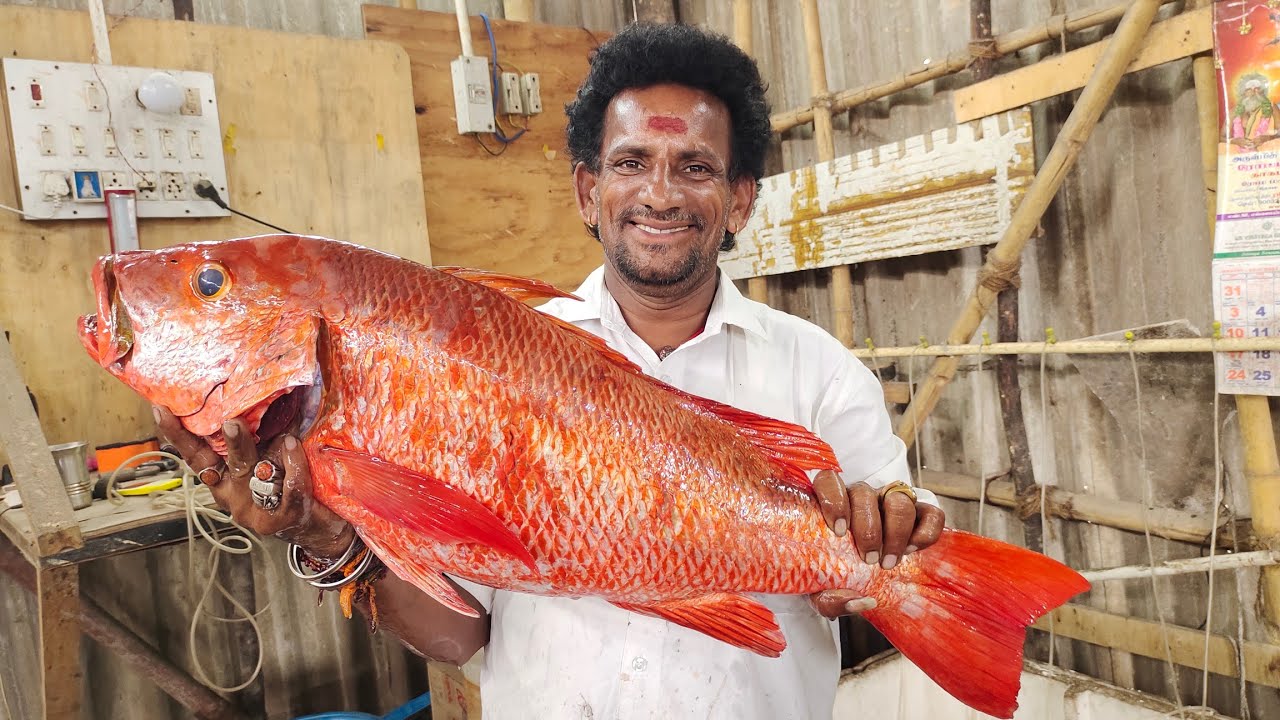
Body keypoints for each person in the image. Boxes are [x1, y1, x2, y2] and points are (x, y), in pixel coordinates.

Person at [155, 23, 945, 720]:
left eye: (696, 168)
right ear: (587, 190)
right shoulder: (489, 365)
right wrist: (324, 535)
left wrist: (887, 540)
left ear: (739, 201)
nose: (660, 194)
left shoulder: (824, 374)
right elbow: (459, 634)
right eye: (632, 161)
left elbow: (895, 557)